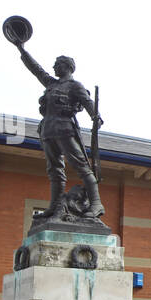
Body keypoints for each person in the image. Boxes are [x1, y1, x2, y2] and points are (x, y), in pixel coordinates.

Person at [11, 42, 105, 218]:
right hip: (47, 130)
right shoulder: (51, 84)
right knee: (54, 169)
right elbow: (36, 69)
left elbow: (87, 102)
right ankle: (54, 206)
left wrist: (96, 116)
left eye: (57, 63)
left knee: (81, 166)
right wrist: (21, 48)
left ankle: (96, 204)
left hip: (65, 129)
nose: (54, 66)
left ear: (67, 67)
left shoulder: (74, 85)